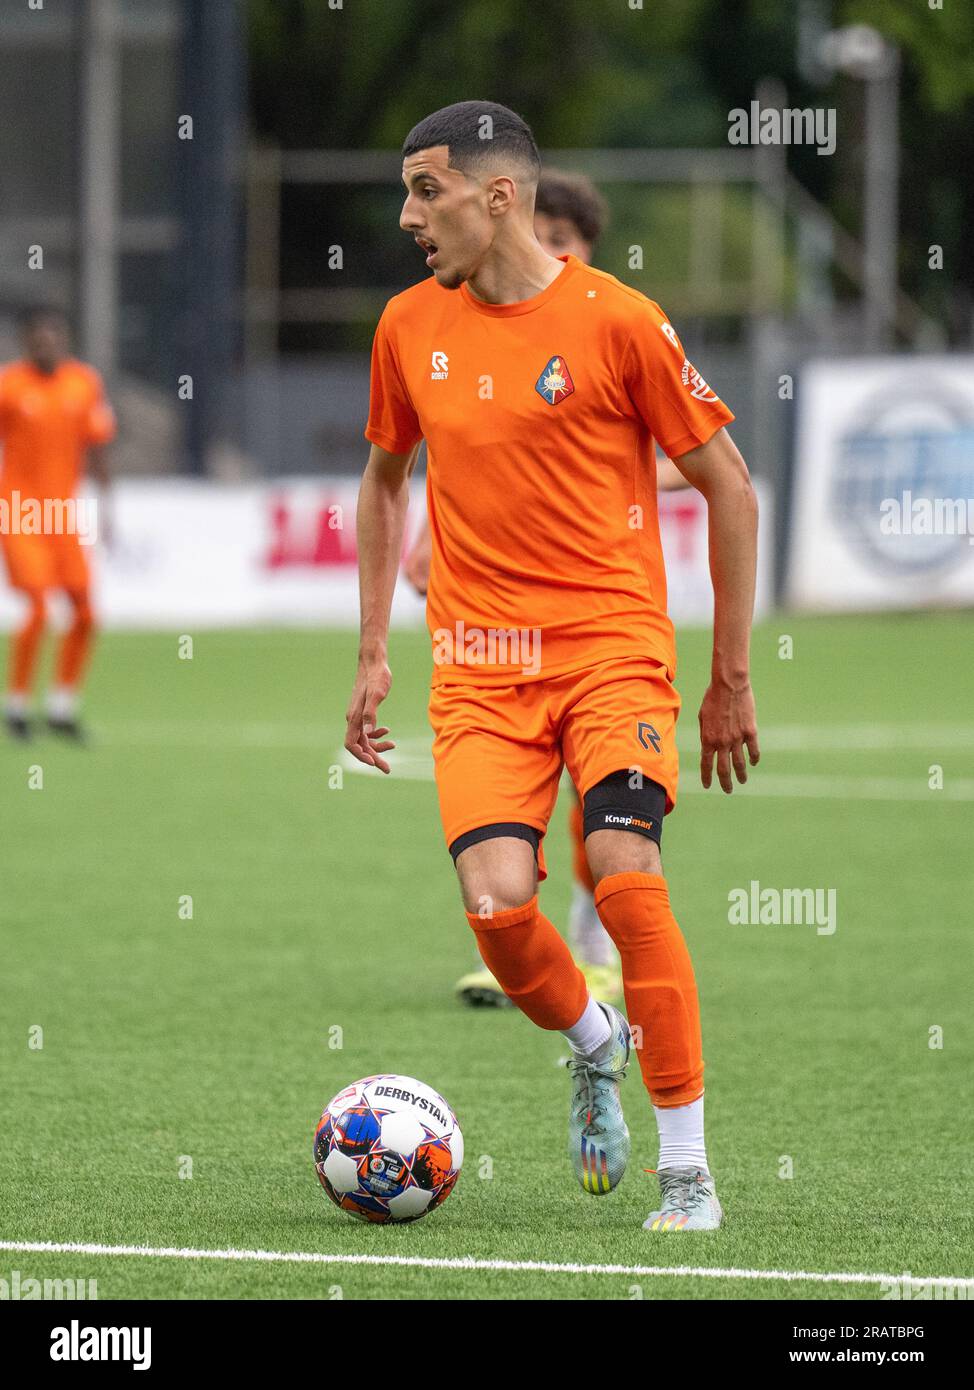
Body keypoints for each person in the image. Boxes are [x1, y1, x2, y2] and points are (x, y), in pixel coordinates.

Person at [345, 102, 759, 1231]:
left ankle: (687, 1171)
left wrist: (728, 677)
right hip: (479, 671)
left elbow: (728, 485)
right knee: (496, 909)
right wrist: (374, 646)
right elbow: (383, 481)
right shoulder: (406, 327)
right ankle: (591, 1039)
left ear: (498, 196)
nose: (407, 216)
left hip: (610, 653)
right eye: (405, 191)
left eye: (425, 190)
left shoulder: (618, 321)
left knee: (623, 873)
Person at [404, 168, 691, 1009]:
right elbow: (470, 456)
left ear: (589, 247)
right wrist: (426, 537)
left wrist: (612, 484)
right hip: (497, 631)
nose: (550, 253)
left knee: (601, 811)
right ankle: (522, 945)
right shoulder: (466, 324)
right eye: (544, 235)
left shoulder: (615, 322)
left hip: (600, 612)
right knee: (505, 808)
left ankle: (596, 949)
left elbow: (695, 456)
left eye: (566, 242)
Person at [0, 307, 115, 740]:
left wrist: (107, 507)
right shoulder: (9, 386)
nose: (47, 345)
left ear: (64, 341)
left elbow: (97, 446)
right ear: (27, 343)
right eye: (39, 338)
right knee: (38, 608)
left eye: (54, 337)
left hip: (63, 514)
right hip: (20, 512)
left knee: (86, 612)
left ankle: (61, 708)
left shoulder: (83, 383)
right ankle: (17, 707)